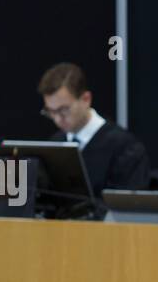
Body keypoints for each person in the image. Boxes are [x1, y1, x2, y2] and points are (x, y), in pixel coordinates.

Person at [38, 62, 151, 200]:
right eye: (50, 112)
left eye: (64, 110)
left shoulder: (125, 148)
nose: (57, 119)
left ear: (86, 99)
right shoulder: (55, 144)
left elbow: (129, 208)